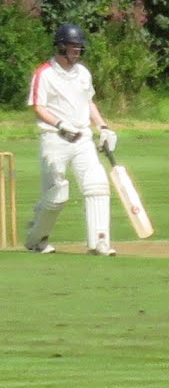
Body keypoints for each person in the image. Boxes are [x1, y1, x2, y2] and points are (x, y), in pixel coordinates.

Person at [23, 24, 118, 255]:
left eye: (79, 47)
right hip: (54, 139)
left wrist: (103, 126)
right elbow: (38, 106)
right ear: (61, 46)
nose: (77, 51)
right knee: (57, 194)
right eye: (73, 46)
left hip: (82, 138)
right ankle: (36, 239)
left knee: (97, 184)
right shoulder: (44, 73)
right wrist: (59, 124)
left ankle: (99, 242)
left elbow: (89, 102)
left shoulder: (83, 73)